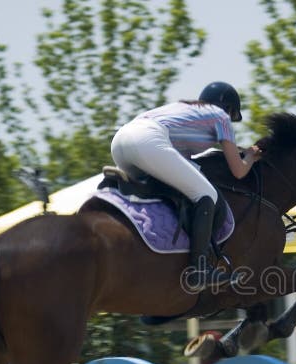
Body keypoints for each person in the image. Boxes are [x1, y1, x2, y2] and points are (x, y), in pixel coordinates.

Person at [110, 81, 261, 290]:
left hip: (120, 141)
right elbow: (238, 171)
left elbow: (180, 160)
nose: (231, 123)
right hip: (147, 141)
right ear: (227, 108)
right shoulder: (221, 116)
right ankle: (199, 270)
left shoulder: (184, 110)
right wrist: (251, 156)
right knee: (207, 195)